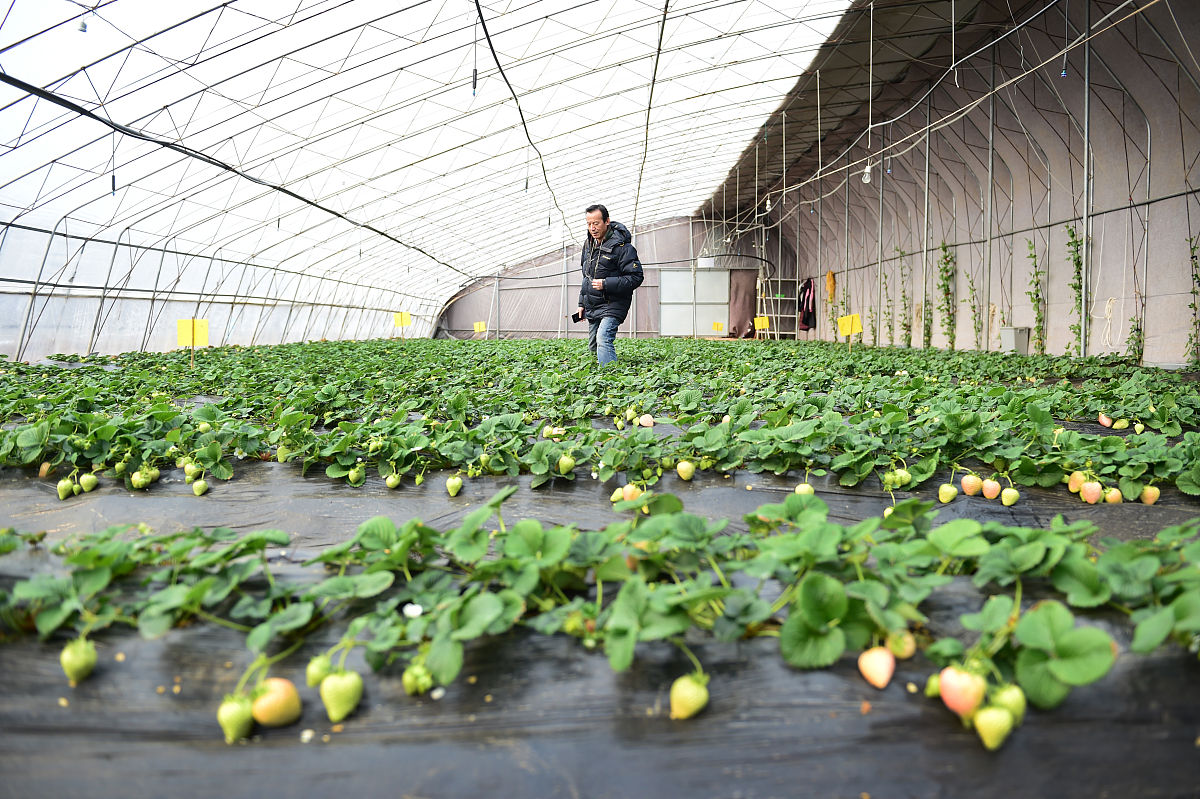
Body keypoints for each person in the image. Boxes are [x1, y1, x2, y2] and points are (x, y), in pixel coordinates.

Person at [576, 204, 643, 365]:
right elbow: (586, 277)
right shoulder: (588, 245)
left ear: (607, 221)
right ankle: (593, 377)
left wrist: (606, 284)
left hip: (614, 303)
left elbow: (636, 277)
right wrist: (581, 303)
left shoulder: (623, 247)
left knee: (603, 338)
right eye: (589, 224)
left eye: (596, 223)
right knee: (593, 345)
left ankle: (609, 378)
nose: (592, 228)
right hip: (594, 303)